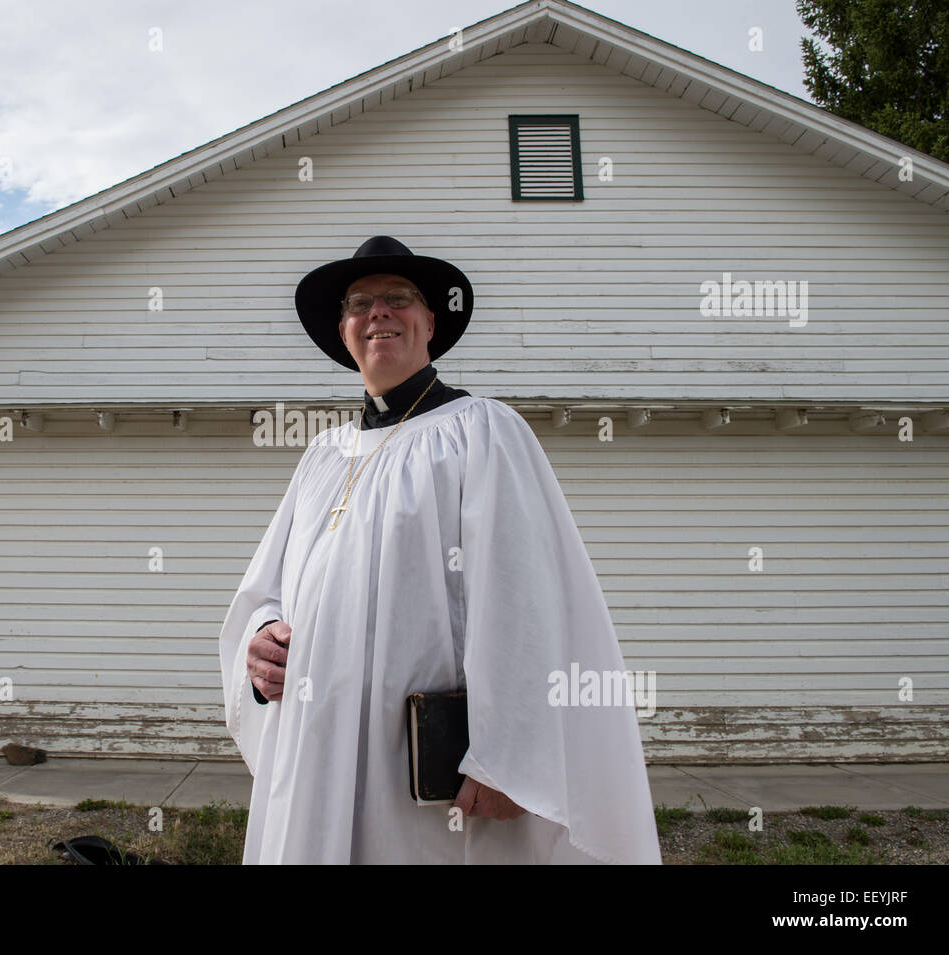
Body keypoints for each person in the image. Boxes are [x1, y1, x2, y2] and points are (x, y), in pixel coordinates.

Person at [217, 236, 662, 864]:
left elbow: (525, 595)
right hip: (313, 746)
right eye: (360, 304)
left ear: (431, 323)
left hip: (425, 764)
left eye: (398, 299)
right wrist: (260, 640)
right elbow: (265, 591)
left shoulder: (481, 431)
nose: (378, 313)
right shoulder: (322, 456)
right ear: (343, 332)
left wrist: (508, 755)